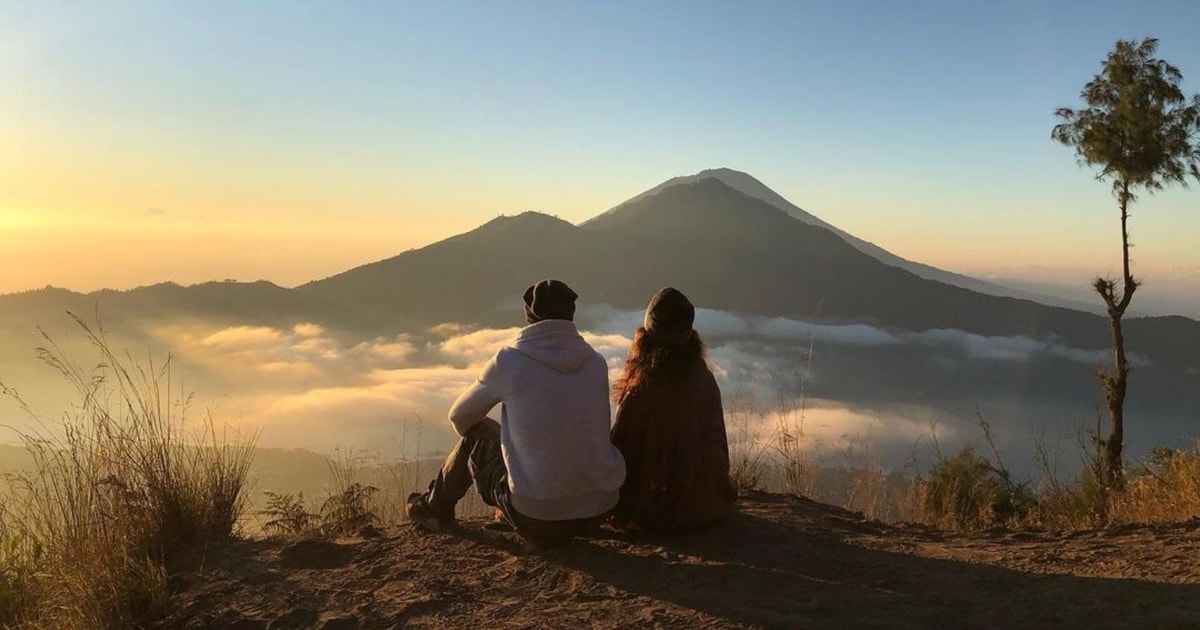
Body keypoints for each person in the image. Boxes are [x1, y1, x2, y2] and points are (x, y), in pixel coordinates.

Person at [406, 279, 626, 547]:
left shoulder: (509, 360)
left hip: (538, 516)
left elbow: (460, 418)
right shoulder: (596, 362)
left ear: (528, 315)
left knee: (478, 432)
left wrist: (511, 457)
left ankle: (433, 508)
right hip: (601, 508)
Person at [610, 287, 737, 535]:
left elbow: (619, 452)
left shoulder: (643, 390)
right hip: (712, 503)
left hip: (660, 515)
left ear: (645, 337)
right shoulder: (704, 378)